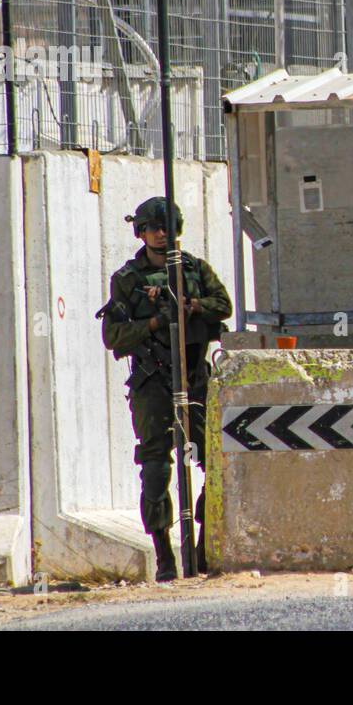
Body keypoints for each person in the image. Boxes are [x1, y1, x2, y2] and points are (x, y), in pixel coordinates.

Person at [97, 196, 232, 581]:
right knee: (155, 467)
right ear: (140, 232)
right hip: (153, 382)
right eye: (153, 228)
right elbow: (114, 335)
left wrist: (189, 305)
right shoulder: (128, 279)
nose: (161, 234)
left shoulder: (195, 269)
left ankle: (203, 546)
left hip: (195, 379)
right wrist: (155, 324)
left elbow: (223, 304)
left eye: (167, 227)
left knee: (215, 463)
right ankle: (165, 557)